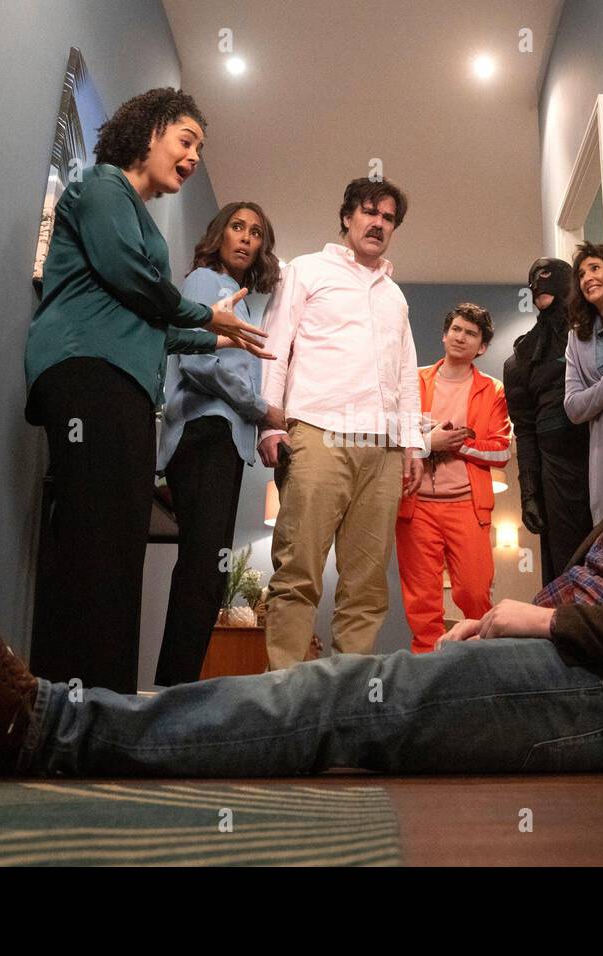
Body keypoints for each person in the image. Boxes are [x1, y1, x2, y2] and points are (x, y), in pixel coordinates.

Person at [0, 332, 603, 777]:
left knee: (348, 691)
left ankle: (55, 726)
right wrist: (521, 628)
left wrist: (539, 622)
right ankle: (65, 721)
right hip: (560, 665)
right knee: (357, 694)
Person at [23, 88, 270, 695]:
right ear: (150, 131)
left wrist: (218, 340)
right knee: (96, 535)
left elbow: (154, 322)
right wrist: (208, 318)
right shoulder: (104, 187)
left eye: (198, 150)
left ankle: (95, 699)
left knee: (110, 536)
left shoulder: (138, 211)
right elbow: (128, 276)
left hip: (123, 381)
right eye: (185, 141)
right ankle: (79, 699)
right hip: (87, 370)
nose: (191, 159)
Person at [254, 177, 425, 670]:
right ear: (347, 217)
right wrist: (270, 424)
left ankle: (349, 700)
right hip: (317, 433)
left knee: (367, 586)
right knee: (298, 572)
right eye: (369, 212)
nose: (378, 223)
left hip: (384, 449)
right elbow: (275, 344)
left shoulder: (394, 296)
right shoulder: (306, 270)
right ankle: (282, 693)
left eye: (388, 217)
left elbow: (406, 374)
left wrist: (412, 444)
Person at [153, 203, 285, 686]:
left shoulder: (243, 298)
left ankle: (176, 687)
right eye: (237, 227)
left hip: (221, 438)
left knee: (205, 569)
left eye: (256, 232)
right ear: (218, 234)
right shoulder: (206, 281)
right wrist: (262, 410)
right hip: (203, 433)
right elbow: (197, 361)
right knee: (202, 569)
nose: (246, 238)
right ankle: (172, 691)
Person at [396, 304, 512, 654]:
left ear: (482, 347)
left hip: (467, 505)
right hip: (416, 506)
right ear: (445, 335)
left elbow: (501, 450)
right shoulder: (414, 380)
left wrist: (455, 443)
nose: (461, 337)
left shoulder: (493, 390)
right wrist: (429, 442)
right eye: (457, 330)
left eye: (471, 334)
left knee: (475, 593)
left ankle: (480, 667)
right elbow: (397, 431)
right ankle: (428, 676)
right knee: (421, 602)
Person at [503, 257, 593, 584]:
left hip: (598, 447)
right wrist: (529, 492)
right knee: (567, 561)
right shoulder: (521, 358)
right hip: (554, 465)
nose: (540, 287)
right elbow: (524, 431)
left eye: (548, 279)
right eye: (534, 282)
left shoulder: (594, 334)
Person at [564, 243, 603, 527]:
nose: (587, 278)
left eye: (595, 268)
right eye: (581, 275)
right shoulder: (577, 338)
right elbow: (573, 407)